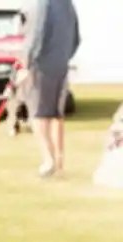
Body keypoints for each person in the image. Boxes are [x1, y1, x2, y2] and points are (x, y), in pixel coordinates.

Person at [18, 0, 79, 178]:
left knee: (38, 114)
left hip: (41, 65)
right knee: (56, 115)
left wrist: (26, 65)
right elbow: (76, 38)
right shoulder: (67, 5)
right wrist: (64, 57)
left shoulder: (42, 4)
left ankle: (48, 160)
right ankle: (59, 162)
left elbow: (36, 35)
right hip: (61, 63)